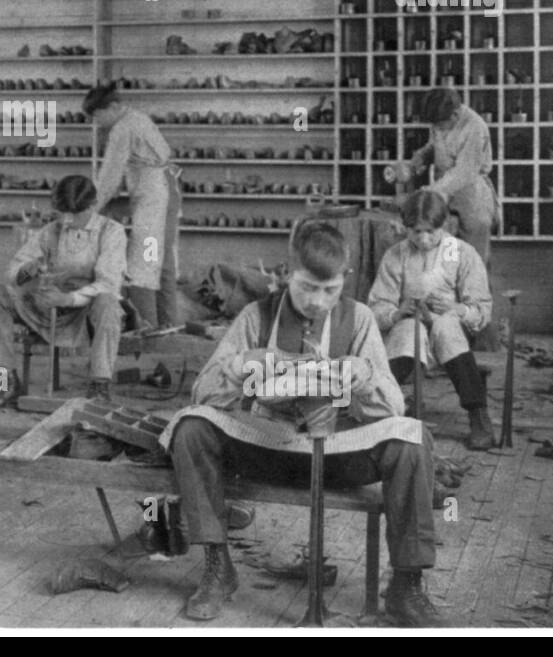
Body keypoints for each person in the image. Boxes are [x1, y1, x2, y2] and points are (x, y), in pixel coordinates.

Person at [162, 220, 441, 626]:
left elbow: (393, 407)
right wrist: (245, 364)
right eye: (307, 287)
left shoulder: (359, 319)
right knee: (191, 428)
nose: (317, 301)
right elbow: (202, 393)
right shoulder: (255, 316)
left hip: (336, 453)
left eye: (330, 290)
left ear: (344, 279)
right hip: (267, 448)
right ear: (285, 273)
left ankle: (406, 586)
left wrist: (360, 374)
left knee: (413, 439)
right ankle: (217, 567)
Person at [0, 175, 127, 409]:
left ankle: (99, 386)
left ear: (92, 205)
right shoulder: (51, 230)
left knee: (108, 304)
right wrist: (27, 270)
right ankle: (4, 384)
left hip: (83, 312)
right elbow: (13, 271)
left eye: (75, 214)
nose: (68, 220)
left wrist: (69, 299)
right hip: (46, 306)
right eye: (63, 213)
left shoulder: (111, 231)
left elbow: (108, 283)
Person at [368, 189, 496, 450]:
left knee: (445, 328)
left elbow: (482, 308)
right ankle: (380, 410)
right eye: (416, 231)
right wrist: (396, 312)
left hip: (453, 329)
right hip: (411, 325)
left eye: (431, 231)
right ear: (406, 228)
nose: (424, 239)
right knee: (407, 331)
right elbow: (378, 305)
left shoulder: (461, 252)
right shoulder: (396, 255)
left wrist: (457, 308)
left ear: (444, 225)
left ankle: (478, 415)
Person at [83, 83, 182, 329]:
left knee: (145, 261)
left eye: (98, 115)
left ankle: (147, 327)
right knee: (163, 261)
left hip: (155, 197)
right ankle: (169, 326)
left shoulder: (123, 127)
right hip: (164, 190)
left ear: (113, 107)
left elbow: (109, 177)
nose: (97, 122)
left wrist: (88, 210)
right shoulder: (137, 118)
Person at [407, 87, 498, 265]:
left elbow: (464, 173)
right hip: (444, 191)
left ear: (455, 115)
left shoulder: (475, 127)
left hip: (472, 195)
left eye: (439, 124)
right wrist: (423, 155)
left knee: (473, 257)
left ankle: (475, 291)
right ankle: (451, 290)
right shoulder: (442, 120)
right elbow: (436, 145)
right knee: (448, 251)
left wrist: (431, 190)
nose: (436, 128)